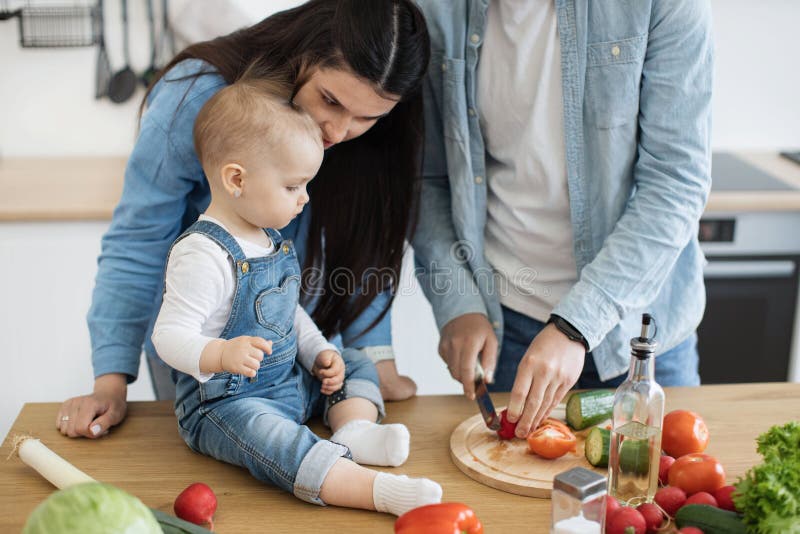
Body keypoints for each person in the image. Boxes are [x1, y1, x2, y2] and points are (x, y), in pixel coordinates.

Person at [57, 0, 430, 440]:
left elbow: (366, 240)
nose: (337, 129)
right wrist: (110, 382)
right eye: (329, 100)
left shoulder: (361, 132)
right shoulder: (195, 95)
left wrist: (374, 355)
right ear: (303, 55)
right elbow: (138, 243)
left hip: (296, 330)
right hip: (205, 342)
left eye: (367, 117)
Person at [413, 0, 713, 439]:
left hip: (640, 335)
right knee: (512, 502)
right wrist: (457, 300)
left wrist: (576, 324)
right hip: (507, 327)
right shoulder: (432, 10)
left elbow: (675, 181)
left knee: (657, 499)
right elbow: (428, 179)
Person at [150, 78, 441, 513]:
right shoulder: (202, 254)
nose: (305, 199)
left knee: (355, 361)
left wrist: (318, 351)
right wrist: (219, 354)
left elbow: (290, 313)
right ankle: (376, 492)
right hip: (230, 404)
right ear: (236, 180)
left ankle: (354, 431)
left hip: (286, 383)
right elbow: (168, 336)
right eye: (292, 187)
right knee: (276, 441)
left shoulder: (268, 239)